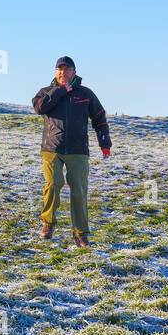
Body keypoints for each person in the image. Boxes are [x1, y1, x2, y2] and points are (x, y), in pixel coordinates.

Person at [32, 56, 112, 246]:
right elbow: (40, 108)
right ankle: (48, 222)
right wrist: (60, 91)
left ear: (74, 72)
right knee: (54, 183)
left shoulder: (86, 93)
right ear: (55, 72)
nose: (62, 72)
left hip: (78, 150)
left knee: (79, 189)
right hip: (52, 148)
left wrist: (105, 143)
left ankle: (80, 233)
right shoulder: (46, 92)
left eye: (66, 69)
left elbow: (99, 118)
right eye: (59, 69)